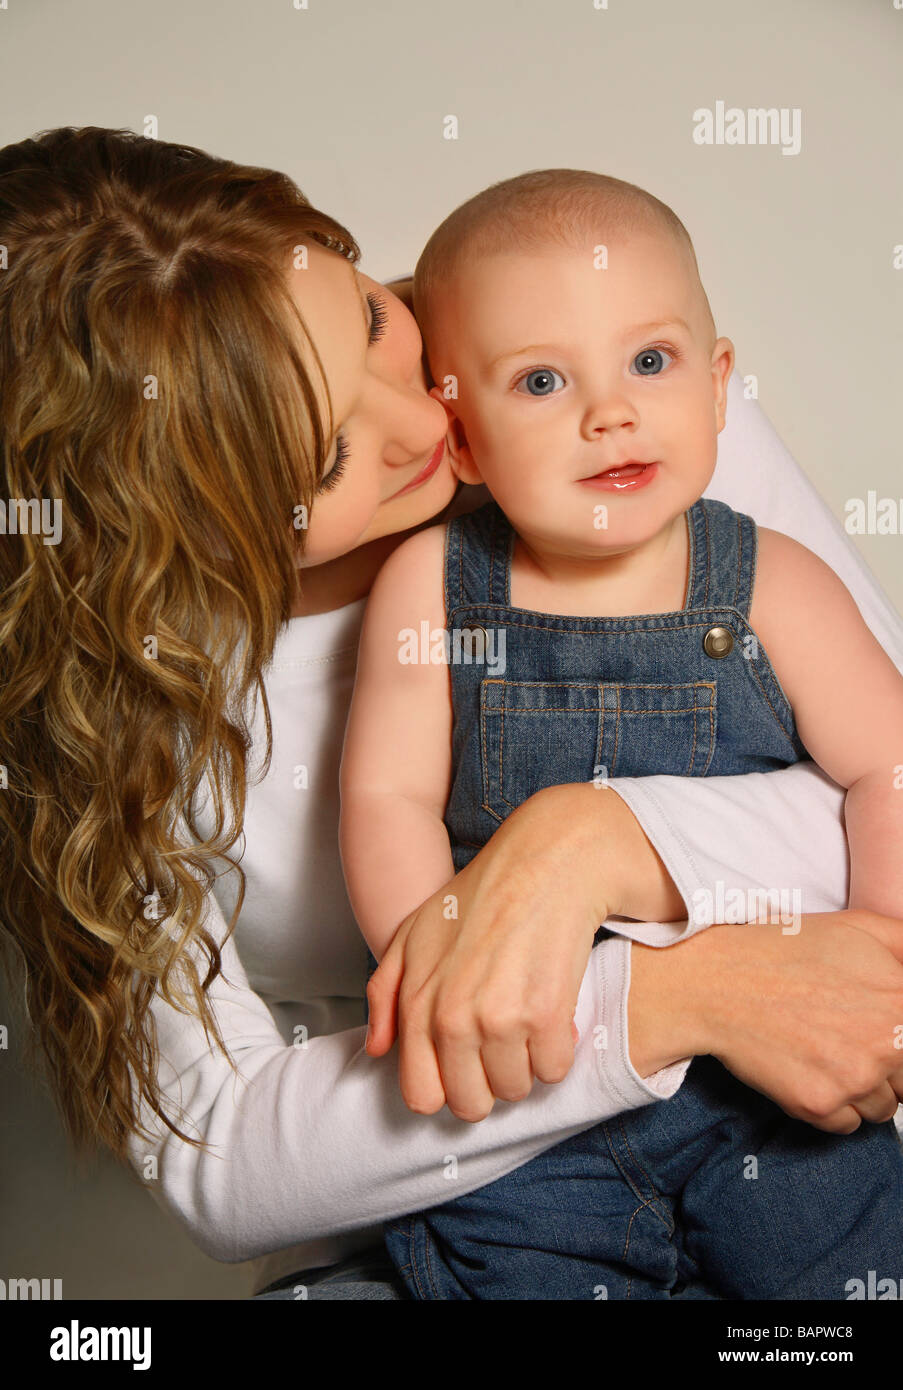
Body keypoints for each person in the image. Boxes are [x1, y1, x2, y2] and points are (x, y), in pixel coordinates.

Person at [1, 128, 901, 1304]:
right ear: (170, 525)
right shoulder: (106, 722)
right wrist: (663, 1000)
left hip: (775, 1119)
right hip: (450, 1190)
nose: (430, 424)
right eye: (327, 458)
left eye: (373, 317)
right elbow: (217, 1153)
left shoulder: (576, 345)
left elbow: (874, 766)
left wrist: (592, 843)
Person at [339, 169, 903, 1299]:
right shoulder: (433, 587)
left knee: (851, 1268)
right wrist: (441, 962)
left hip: (764, 1089)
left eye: (651, 362)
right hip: (535, 1105)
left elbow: (887, 762)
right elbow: (386, 796)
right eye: (542, 381)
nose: (611, 412)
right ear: (460, 440)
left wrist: (883, 941)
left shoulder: (772, 584)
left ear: (720, 382)